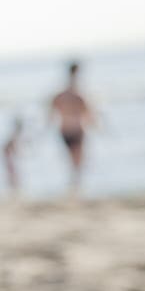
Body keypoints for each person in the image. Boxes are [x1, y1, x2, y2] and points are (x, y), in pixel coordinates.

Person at [49, 61, 97, 195]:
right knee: (78, 162)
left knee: (72, 161)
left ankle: (73, 187)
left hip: (64, 130)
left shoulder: (60, 95)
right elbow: (89, 115)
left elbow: (51, 115)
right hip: (76, 130)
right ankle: (76, 188)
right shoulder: (78, 95)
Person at [1, 115, 24, 196]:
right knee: (12, 173)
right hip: (8, 156)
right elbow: (12, 147)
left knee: (12, 173)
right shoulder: (16, 134)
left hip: (8, 156)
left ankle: (13, 189)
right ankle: (14, 189)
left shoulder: (15, 134)